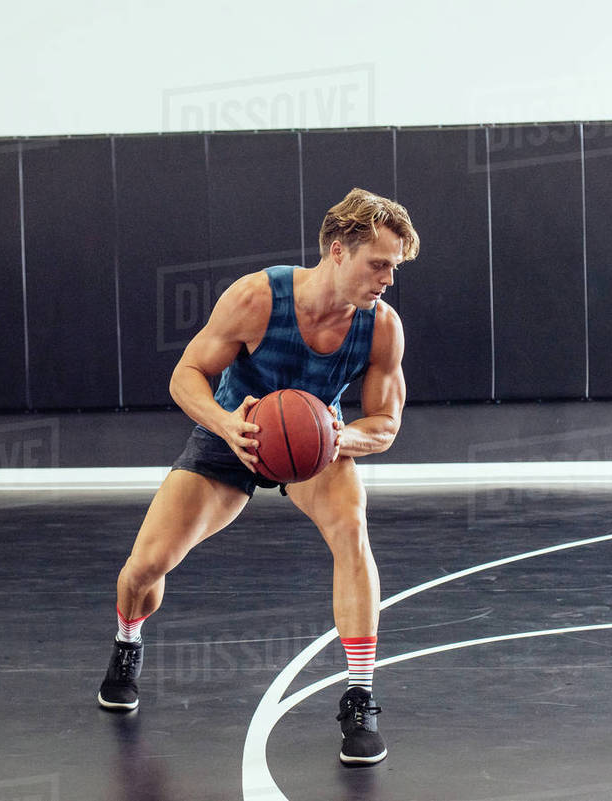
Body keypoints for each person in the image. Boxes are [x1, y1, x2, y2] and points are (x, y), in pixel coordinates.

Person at [96, 188, 419, 765]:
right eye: (379, 264)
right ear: (339, 251)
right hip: (234, 437)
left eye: (394, 268)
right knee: (144, 567)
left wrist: (337, 436)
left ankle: (361, 696)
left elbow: (386, 424)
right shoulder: (256, 298)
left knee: (352, 531)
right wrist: (225, 424)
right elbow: (186, 374)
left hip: (317, 445)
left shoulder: (382, 328)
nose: (388, 279)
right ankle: (127, 640)